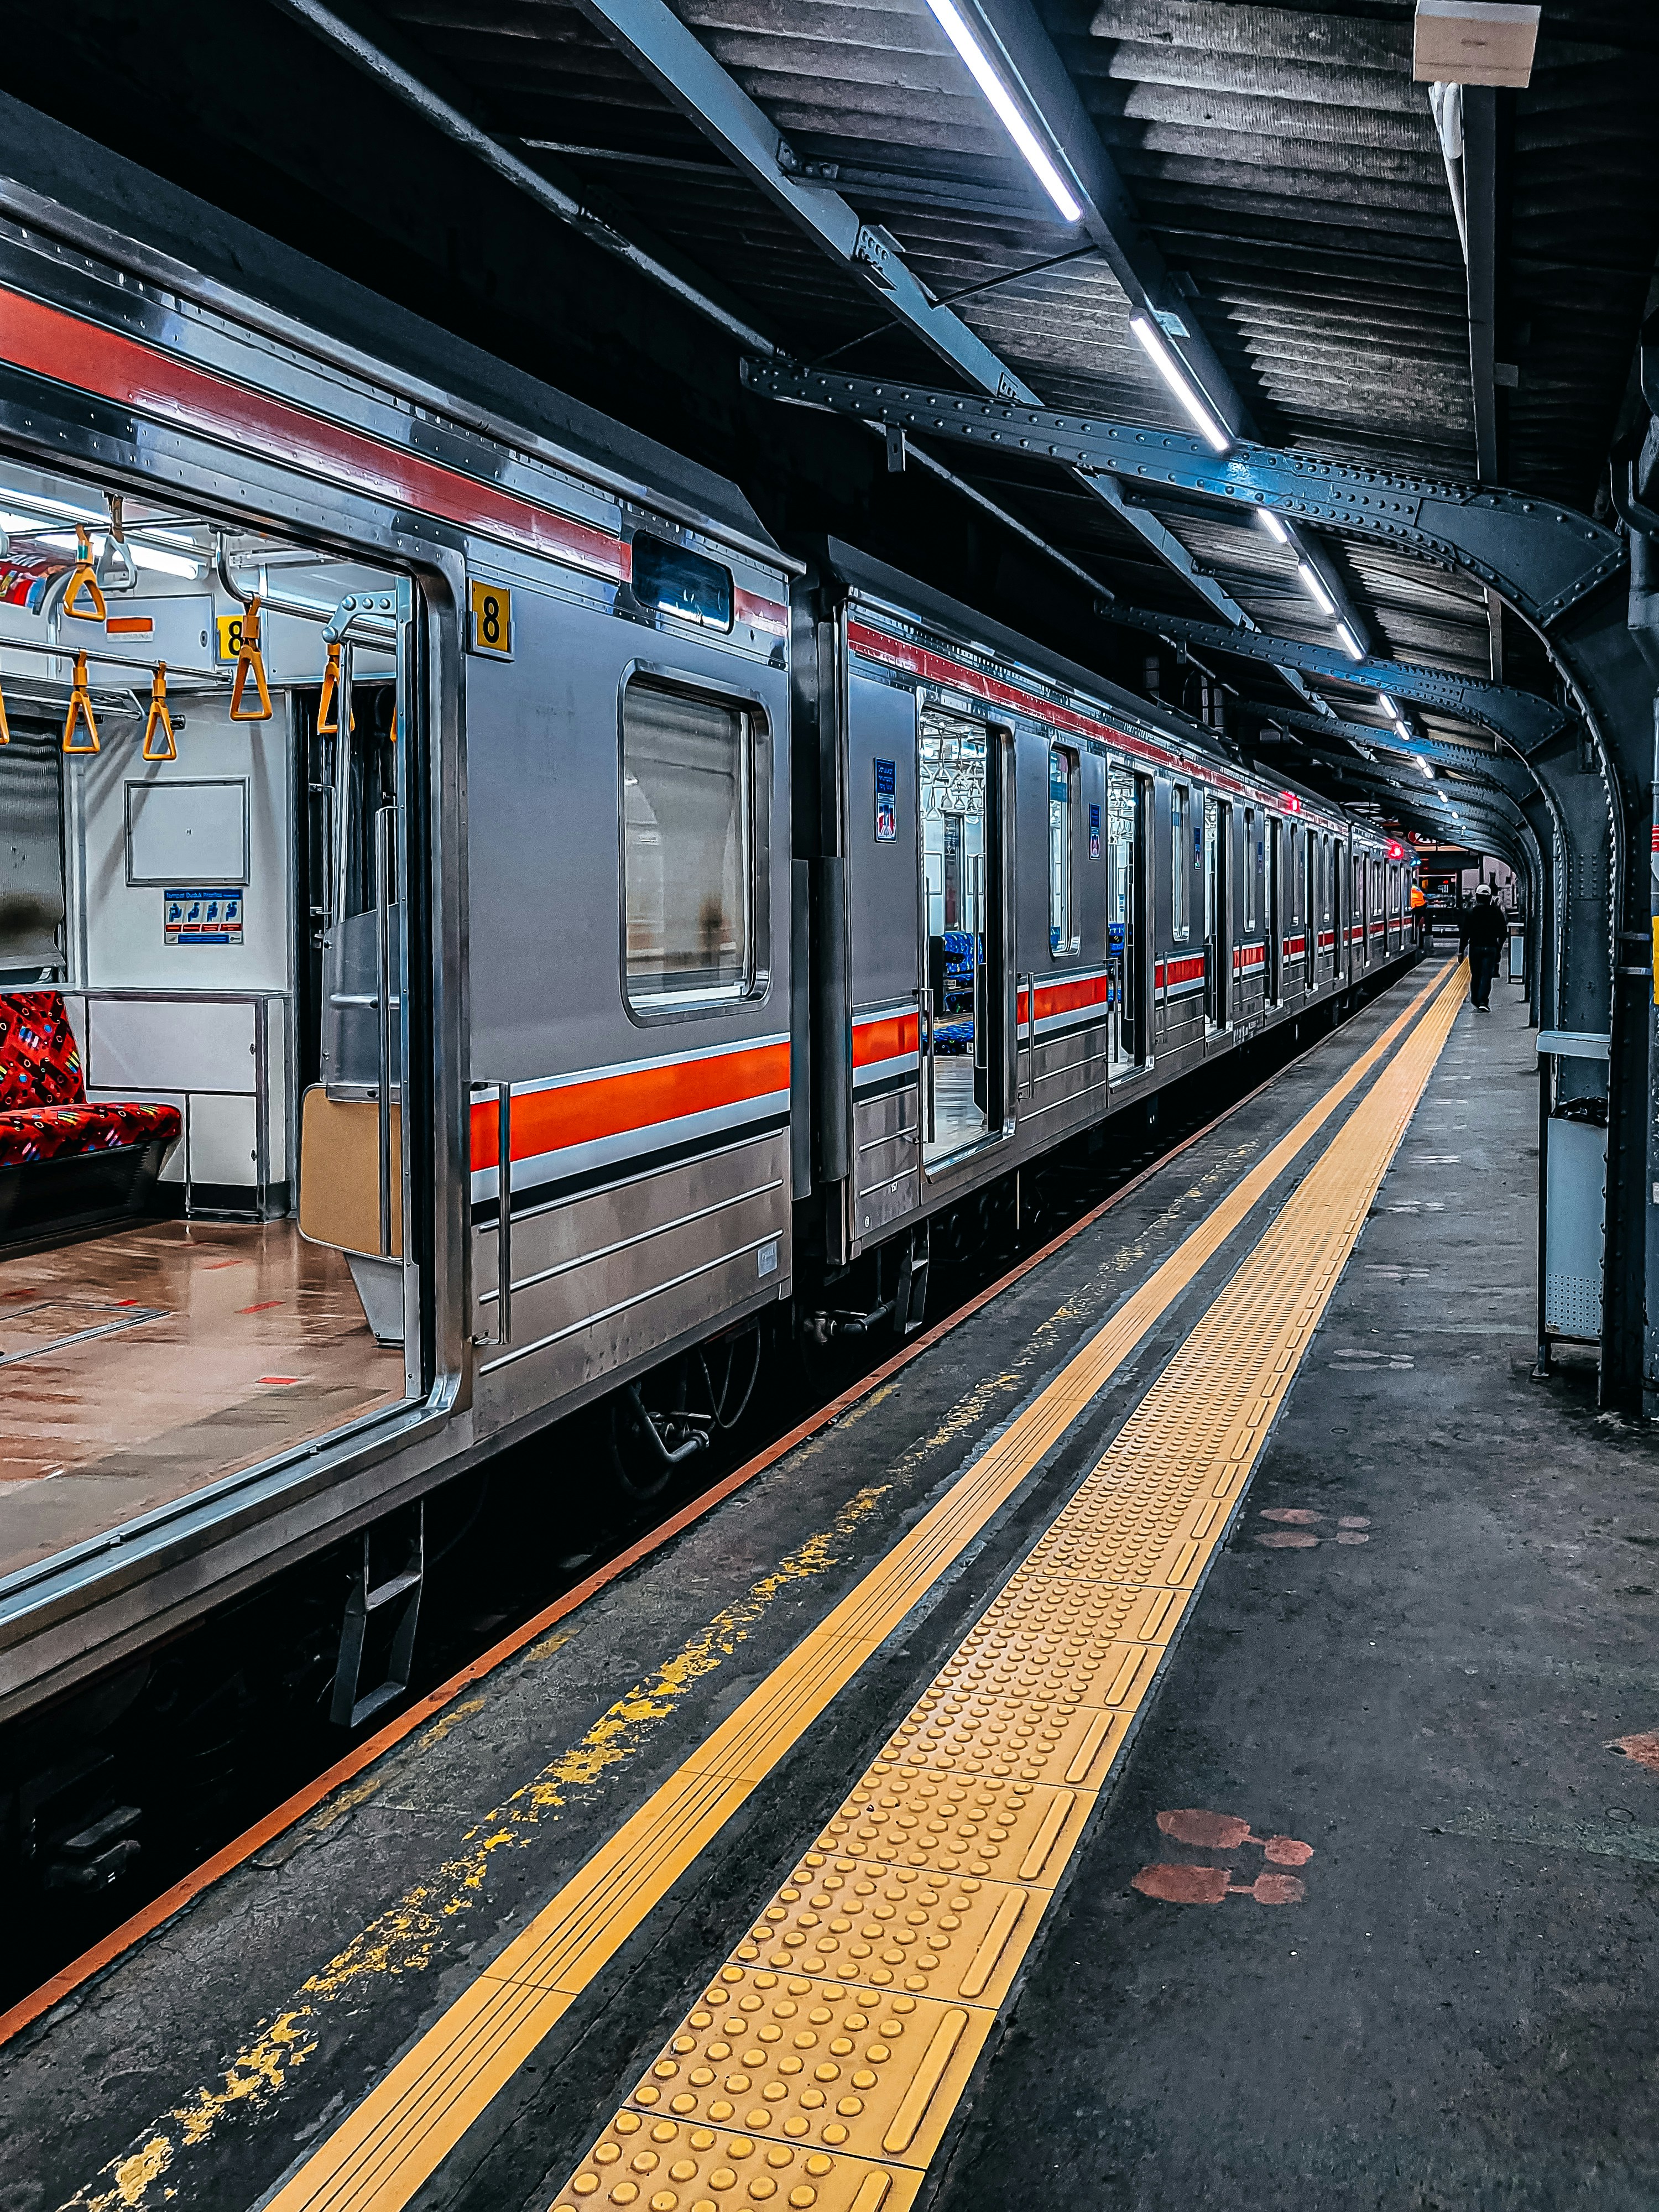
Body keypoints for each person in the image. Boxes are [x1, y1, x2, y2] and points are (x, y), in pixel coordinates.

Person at [1466, 883, 1507, 1010]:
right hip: (1491, 948)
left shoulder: (1471, 913)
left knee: (1476, 974)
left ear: (1477, 897)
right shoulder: (1496, 912)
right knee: (1487, 975)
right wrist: (1499, 946)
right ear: (1490, 898)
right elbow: (1503, 932)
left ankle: (1475, 1000)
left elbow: (1465, 933)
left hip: (1475, 948)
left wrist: (1461, 950)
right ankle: (1483, 1001)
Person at [1409, 879, 1427, 945]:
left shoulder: (1411, 890)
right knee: (1419, 926)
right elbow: (1424, 899)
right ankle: (1419, 941)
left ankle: (1415, 940)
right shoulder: (1418, 890)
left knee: (1415, 925)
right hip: (1420, 909)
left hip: (1414, 909)